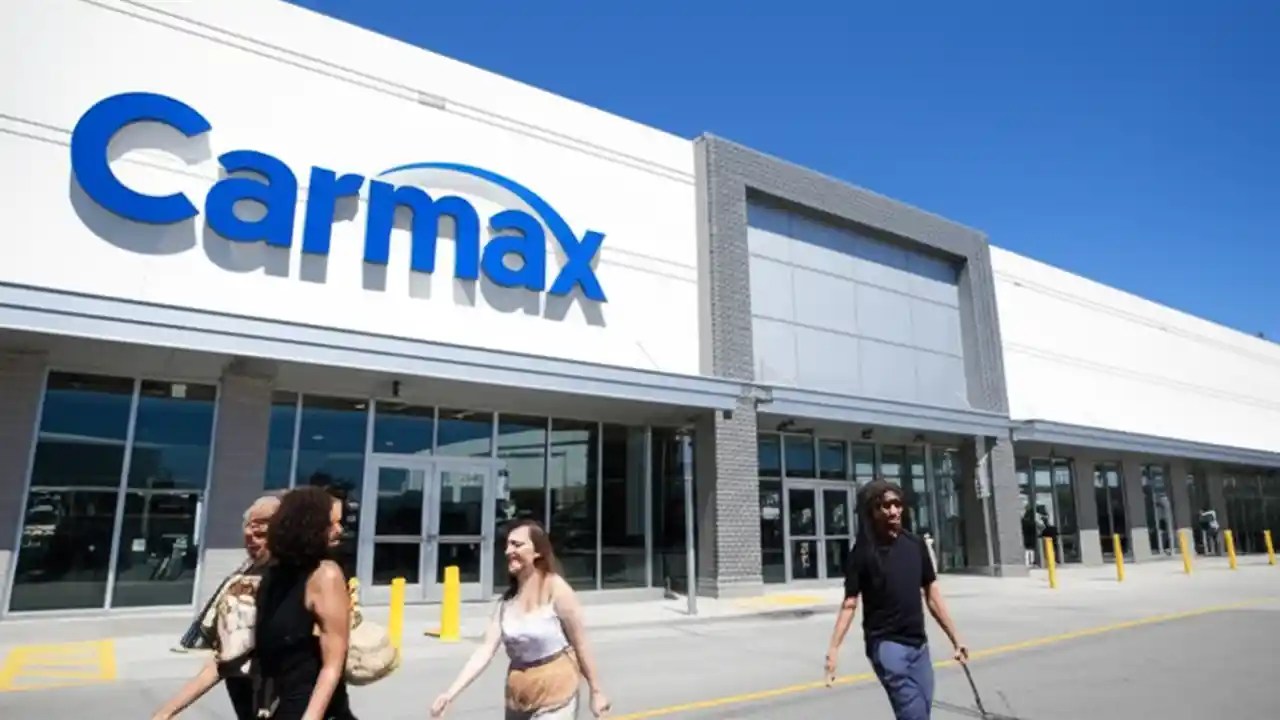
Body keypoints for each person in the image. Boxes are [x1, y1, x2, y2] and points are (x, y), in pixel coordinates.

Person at [431, 519, 611, 719]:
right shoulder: (506, 602)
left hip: (556, 692)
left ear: (538, 552)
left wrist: (596, 691)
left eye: (517, 545)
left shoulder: (556, 589)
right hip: (519, 695)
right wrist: (450, 694)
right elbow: (485, 651)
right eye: (508, 545)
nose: (509, 551)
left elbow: (581, 643)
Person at [824, 480, 968, 720]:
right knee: (915, 716)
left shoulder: (915, 545)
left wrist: (956, 638)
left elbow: (932, 595)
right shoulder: (862, 553)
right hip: (888, 648)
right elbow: (850, 603)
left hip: (919, 647)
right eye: (885, 506)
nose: (893, 511)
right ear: (872, 512)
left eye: (897, 504)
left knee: (923, 710)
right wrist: (833, 650)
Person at [152, 494, 280, 720]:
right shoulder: (242, 577)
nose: (252, 541)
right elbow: (225, 657)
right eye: (248, 534)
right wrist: (168, 711)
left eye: (261, 534)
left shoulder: (297, 580)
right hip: (248, 693)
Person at [253, 486, 358, 720]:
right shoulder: (274, 576)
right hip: (279, 705)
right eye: (333, 523)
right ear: (309, 526)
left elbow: (333, 666)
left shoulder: (326, 576)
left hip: (315, 710)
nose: (340, 530)